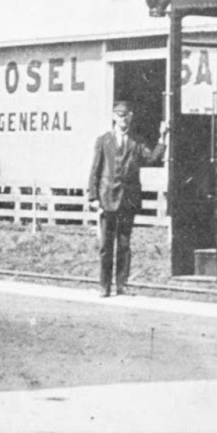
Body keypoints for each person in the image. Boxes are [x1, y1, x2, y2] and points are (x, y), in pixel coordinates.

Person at [87, 101, 168, 296]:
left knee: (124, 245)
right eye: (120, 115)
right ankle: (104, 286)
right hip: (107, 198)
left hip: (128, 200)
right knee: (106, 246)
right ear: (114, 117)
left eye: (127, 115)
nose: (124, 119)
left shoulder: (136, 142)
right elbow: (95, 170)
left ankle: (122, 285)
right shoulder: (103, 141)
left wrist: (162, 138)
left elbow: (150, 159)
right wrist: (93, 197)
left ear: (130, 118)